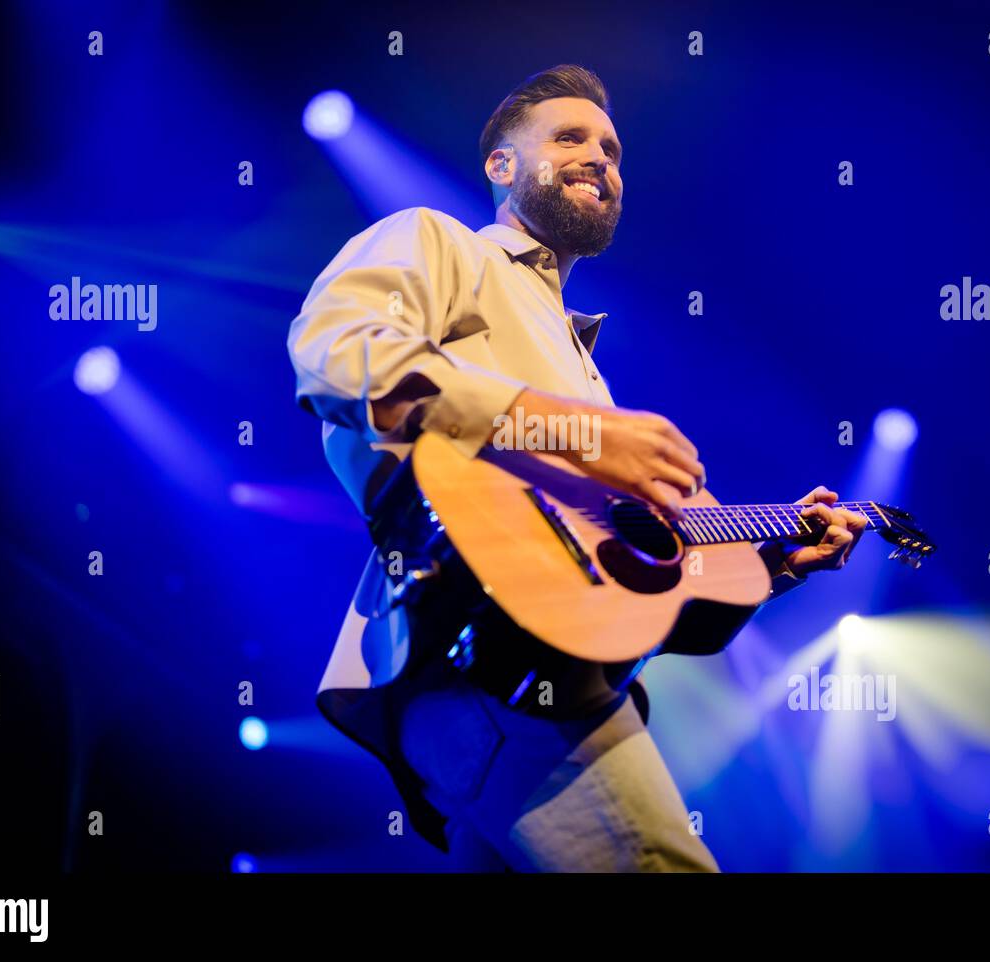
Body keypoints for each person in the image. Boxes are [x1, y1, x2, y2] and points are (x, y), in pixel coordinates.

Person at [287, 64, 868, 871]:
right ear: (501, 167)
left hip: (524, 676)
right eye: (569, 138)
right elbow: (338, 355)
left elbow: (625, 572)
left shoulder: (581, 359)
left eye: (613, 149)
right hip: (483, 659)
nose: (601, 158)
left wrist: (773, 562)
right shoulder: (436, 239)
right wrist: (582, 432)